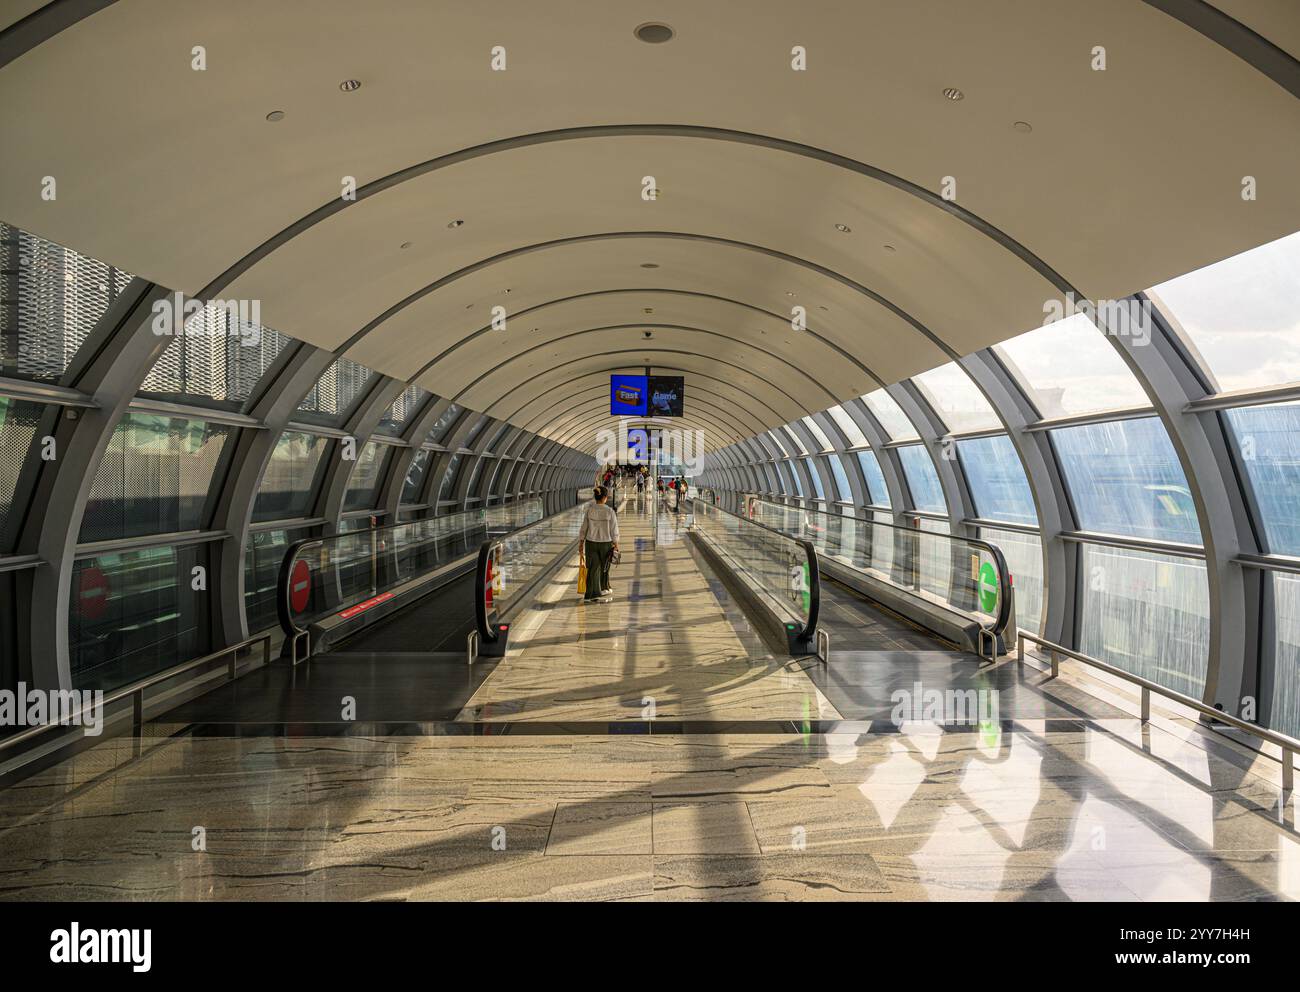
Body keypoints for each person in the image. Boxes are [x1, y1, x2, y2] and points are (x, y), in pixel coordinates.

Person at [578, 484, 619, 603]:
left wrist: (581, 542)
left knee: (592, 568)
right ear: (605, 497)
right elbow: (614, 529)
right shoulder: (610, 511)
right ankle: (603, 587)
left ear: (595, 497)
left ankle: (591, 594)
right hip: (605, 543)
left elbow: (584, 528)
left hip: (591, 543)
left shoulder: (589, 510)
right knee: (605, 566)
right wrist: (616, 543)